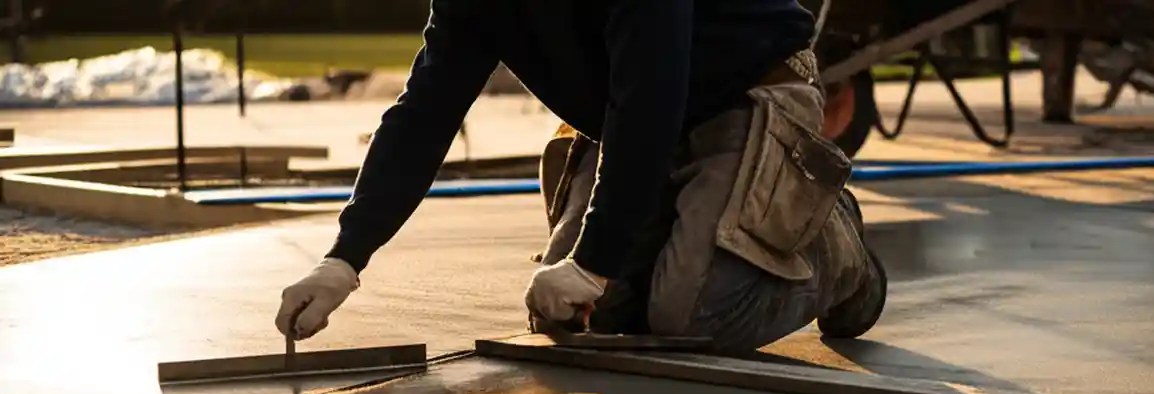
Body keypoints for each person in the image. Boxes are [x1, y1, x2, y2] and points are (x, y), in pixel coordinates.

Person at [275, 0, 886, 353]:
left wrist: (594, 261)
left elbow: (652, 92)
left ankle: (837, 241)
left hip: (746, 91)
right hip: (633, 118)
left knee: (694, 313)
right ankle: (696, 226)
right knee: (577, 318)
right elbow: (426, 110)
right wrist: (345, 258)